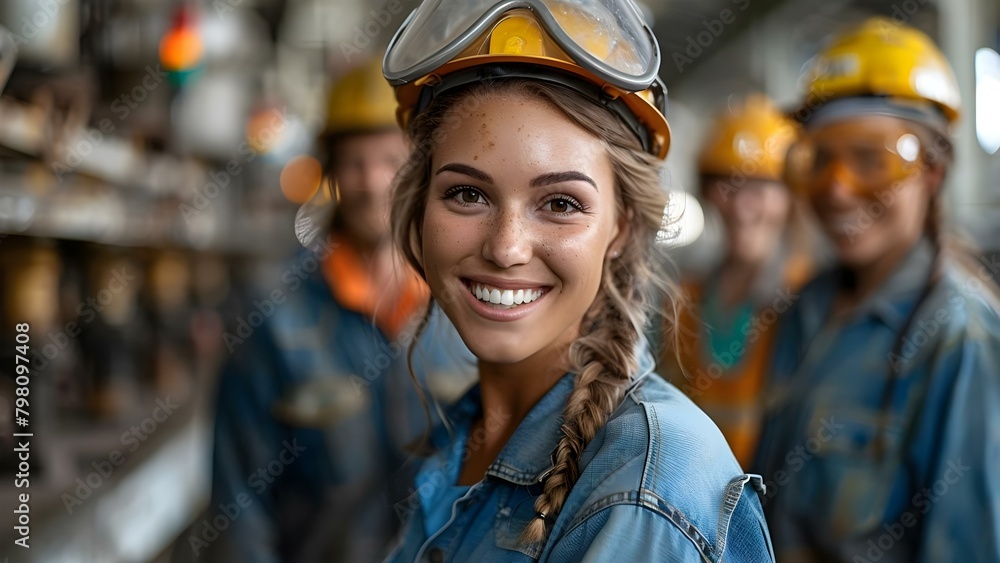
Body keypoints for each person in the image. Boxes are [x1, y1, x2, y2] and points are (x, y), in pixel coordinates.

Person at [381, 1, 774, 561]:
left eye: (561, 203)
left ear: (622, 226)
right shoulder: (464, 433)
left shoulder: (647, 491)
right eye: (467, 194)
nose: (506, 248)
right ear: (421, 206)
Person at [188, 60, 473, 563]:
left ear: (422, 170)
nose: (372, 181)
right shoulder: (276, 315)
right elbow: (239, 503)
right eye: (354, 162)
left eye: (390, 160)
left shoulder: (465, 307)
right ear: (332, 170)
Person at [752, 17, 1000, 562]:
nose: (838, 190)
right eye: (820, 161)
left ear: (932, 172)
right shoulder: (805, 307)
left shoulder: (961, 336)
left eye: (871, 160)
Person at [661, 94, 812, 467]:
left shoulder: (811, 297)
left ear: (792, 195)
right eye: (727, 185)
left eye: (761, 187)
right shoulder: (683, 297)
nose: (742, 207)